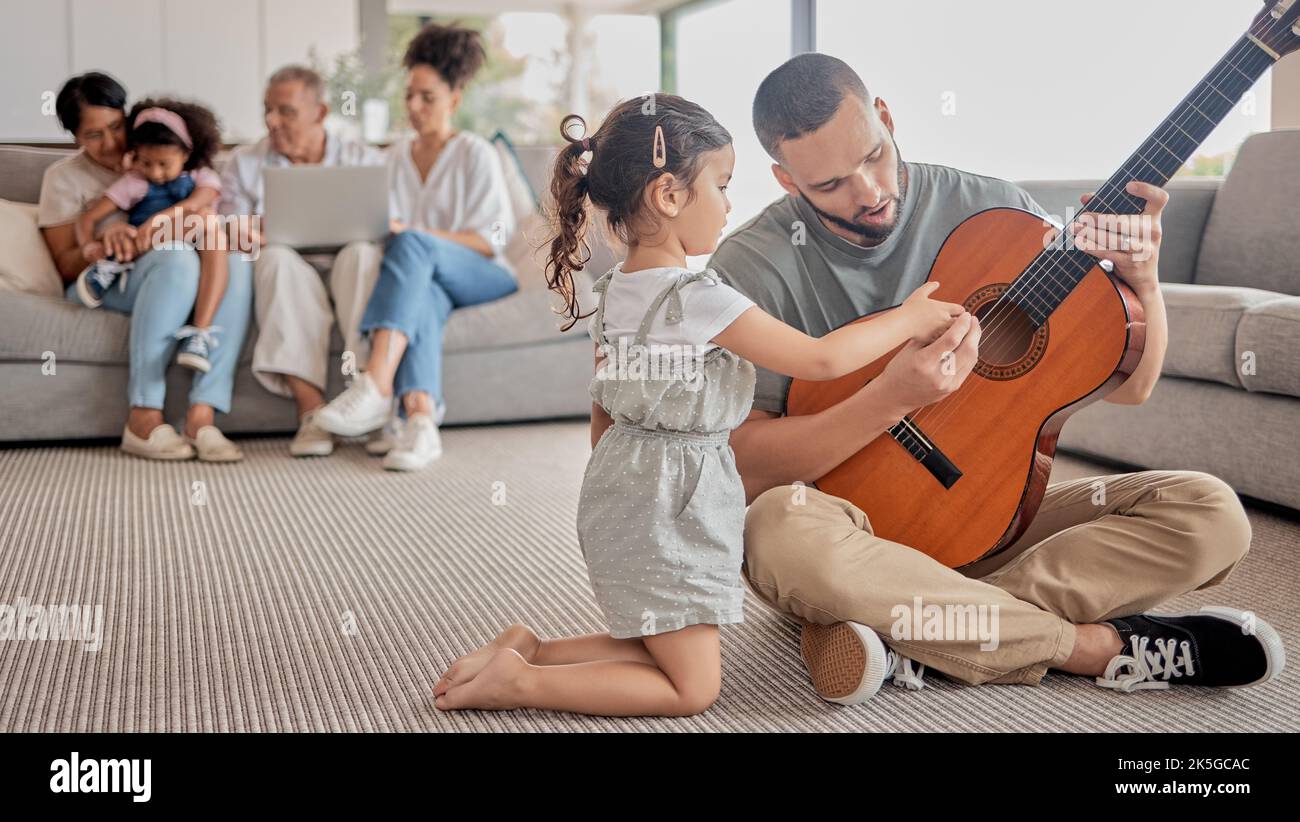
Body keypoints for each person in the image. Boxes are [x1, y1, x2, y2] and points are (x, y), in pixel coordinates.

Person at [706, 53, 1283, 702]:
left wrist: (1143, 282)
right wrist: (892, 397)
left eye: (873, 156)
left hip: (992, 521)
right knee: (774, 531)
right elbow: (741, 467)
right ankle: (1093, 648)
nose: (868, 193)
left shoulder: (995, 212)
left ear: (887, 119)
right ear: (787, 181)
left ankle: (916, 634)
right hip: (845, 534)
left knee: (1210, 513)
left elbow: (1132, 386)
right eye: (831, 185)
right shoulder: (749, 268)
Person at [429, 95, 962, 716]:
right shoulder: (698, 299)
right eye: (723, 184)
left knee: (663, 649)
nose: (731, 203)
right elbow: (820, 359)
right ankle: (522, 682)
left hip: (619, 496)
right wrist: (907, 318)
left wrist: (616, 491)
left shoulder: (616, 290)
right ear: (669, 196)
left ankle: (532, 652)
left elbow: (603, 406)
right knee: (691, 688)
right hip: (671, 506)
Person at [314, 23, 518, 470]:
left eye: (427, 97)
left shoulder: (475, 153)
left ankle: (375, 385)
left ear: (455, 100)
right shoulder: (390, 158)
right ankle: (421, 424)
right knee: (420, 289)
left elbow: (491, 240)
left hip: (483, 273)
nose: (414, 106)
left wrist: (415, 237)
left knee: (413, 243)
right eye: (409, 95)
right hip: (424, 279)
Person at [38, 72, 252, 461]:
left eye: (117, 127)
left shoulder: (158, 153)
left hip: (174, 269)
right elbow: (65, 265)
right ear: (74, 137)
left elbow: (205, 202)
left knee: (234, 259)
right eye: (94, 135)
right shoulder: (63, 179)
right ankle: (143, 417)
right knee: (176, 258)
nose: (112, 142)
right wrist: (100, 244)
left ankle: (202, 417)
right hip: (105, 282)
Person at [220, 65, 385, 458]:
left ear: (321, 113)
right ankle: (311, 411)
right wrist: (241, 230)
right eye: (267, 110)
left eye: (286, 111)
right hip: (288, 265)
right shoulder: (243, 163)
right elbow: (230, 223)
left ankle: (368, 404)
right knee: (273, 258)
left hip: (346, 263)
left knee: (364, 253)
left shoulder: (363, 157)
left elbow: (388, 225)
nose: (272, 121)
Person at [74, 99, 229, 374]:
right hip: (148, 252)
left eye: (163, 164)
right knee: (189, 224)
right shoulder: (135, 182)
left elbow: (195, 203)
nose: (155, 173)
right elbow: (89, 218)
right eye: (146, 163)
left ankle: (200, 333)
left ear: (186, 153)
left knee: (208, 223)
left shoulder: (201, 176)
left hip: (190, 243)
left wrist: (158, 220)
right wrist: (88, 246)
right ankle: (108, 267)